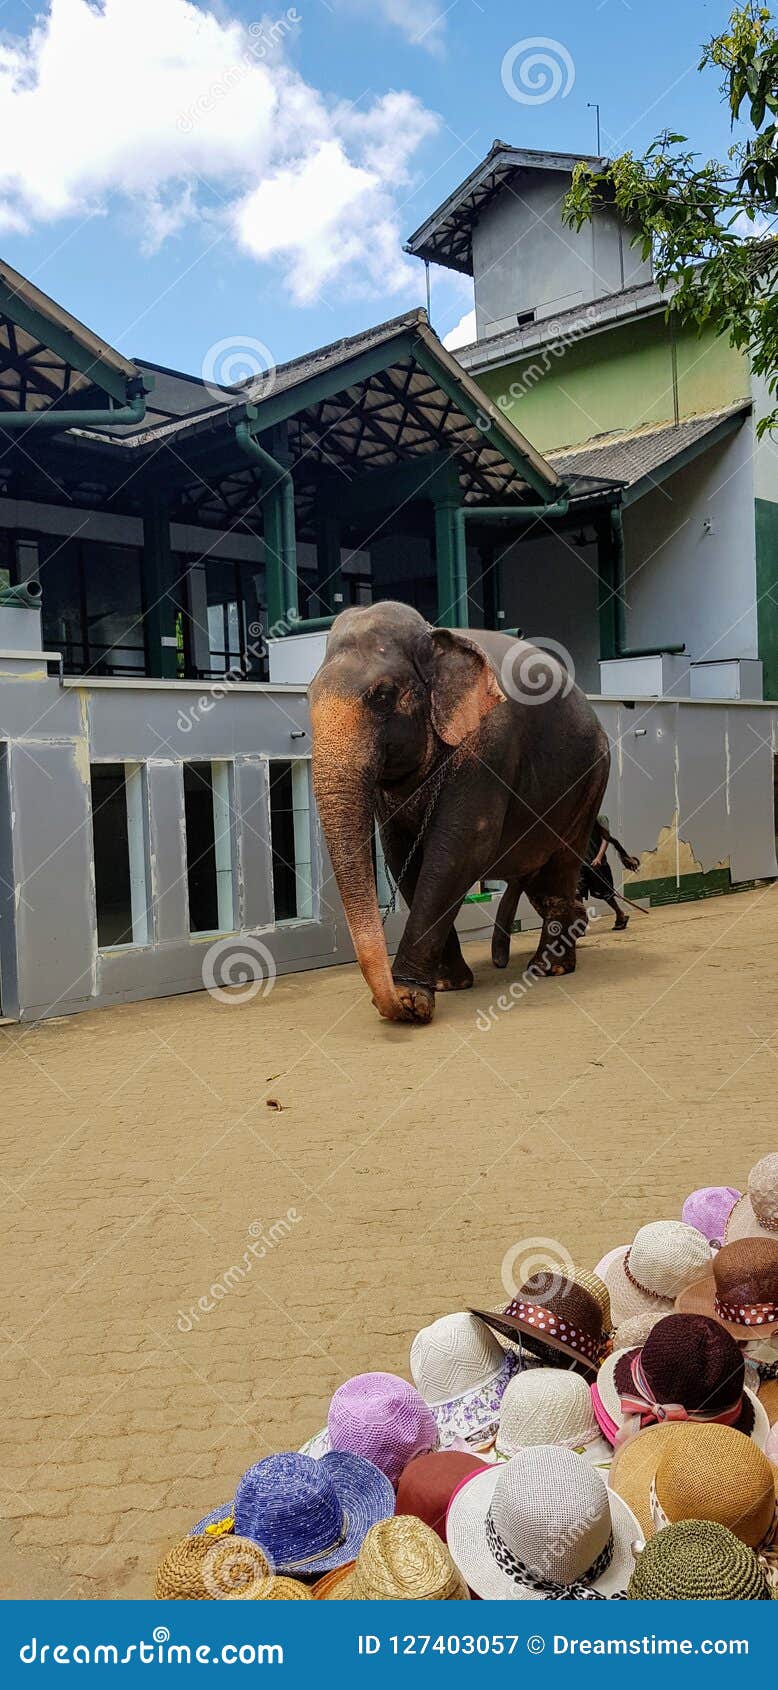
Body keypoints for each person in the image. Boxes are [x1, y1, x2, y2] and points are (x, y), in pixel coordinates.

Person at [578, 815, 639, 931]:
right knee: (577, 893)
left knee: (606, 894)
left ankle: (620, 914)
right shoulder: (579, 819)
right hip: (581, 866)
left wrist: (598, 858)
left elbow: (605, 839)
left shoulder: (600, 818)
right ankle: (580, 923)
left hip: (597, 865)